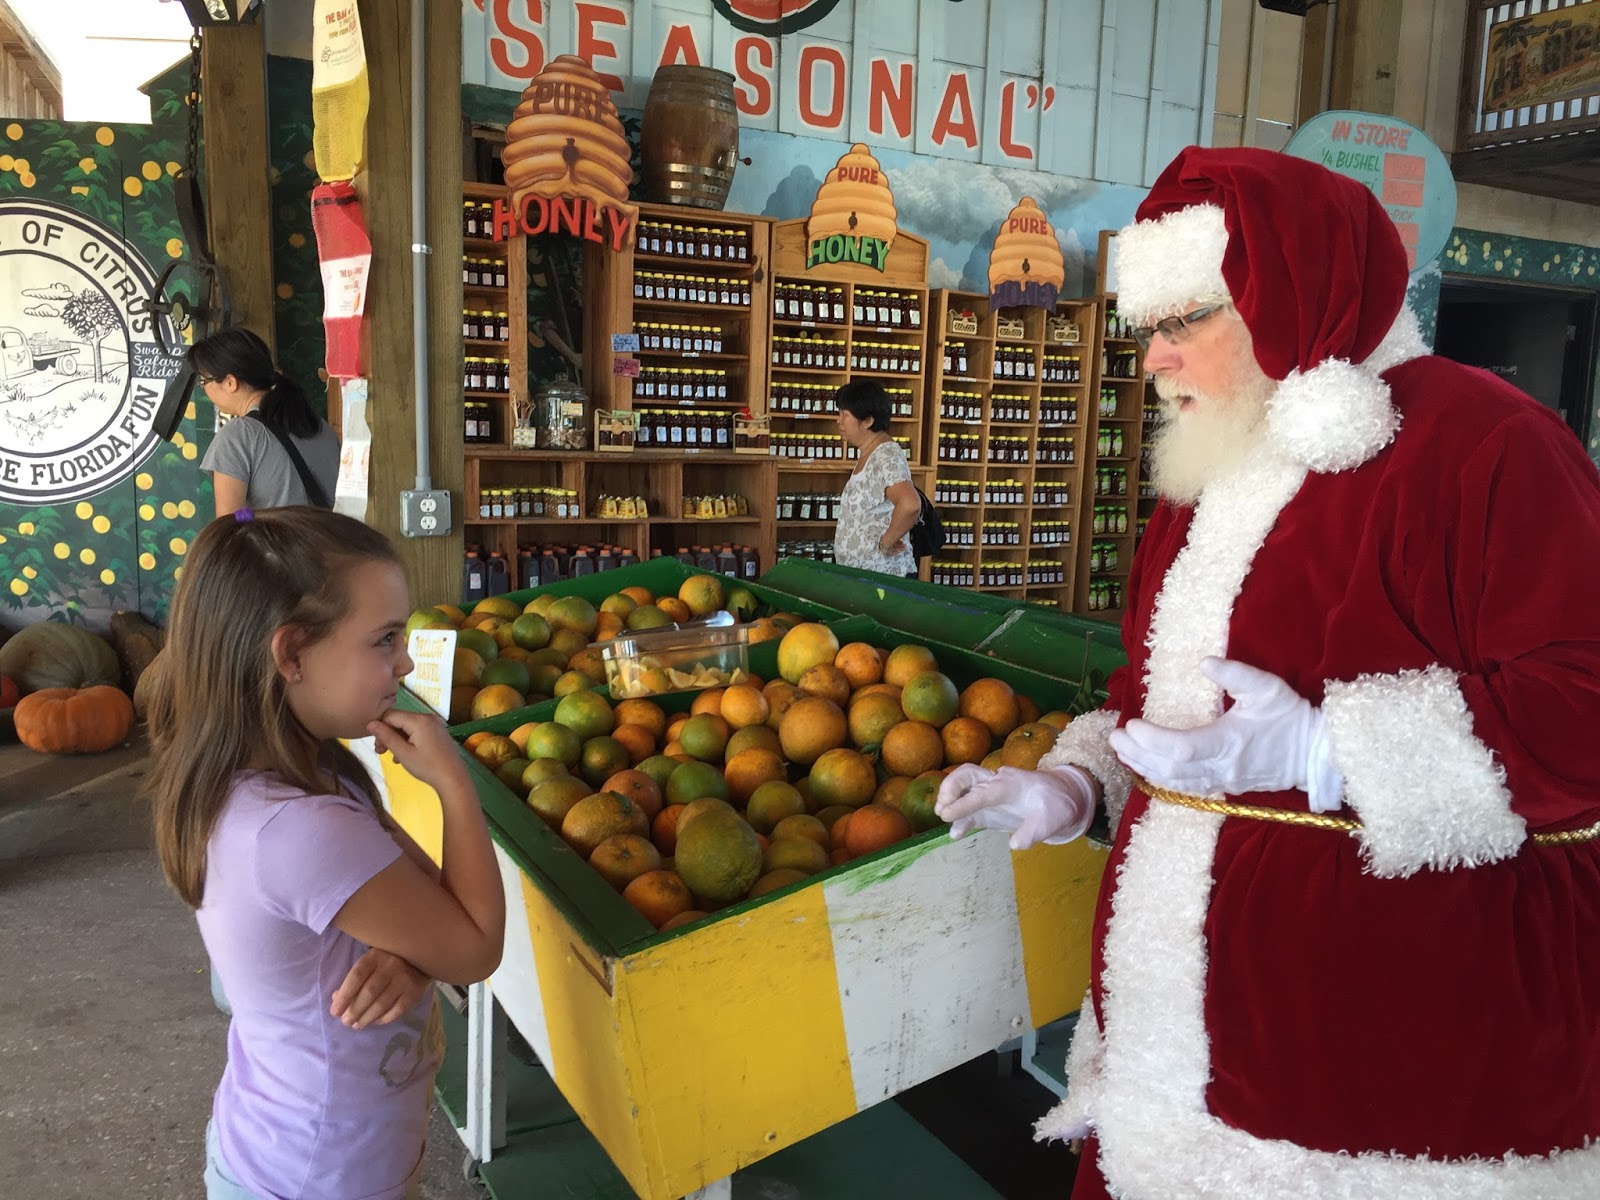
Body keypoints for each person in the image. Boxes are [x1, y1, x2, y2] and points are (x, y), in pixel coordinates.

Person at [937, 145, 1600, 1198]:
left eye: (1183, 321)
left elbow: (1584, 705)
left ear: (1291, 299)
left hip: (1387, 1061)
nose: (1155, 361)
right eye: (1146, 329)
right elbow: (1156, 698)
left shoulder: (1487, 441)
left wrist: (1326, 750)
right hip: (1172, 1044)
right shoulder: (1211, 470)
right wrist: (1079, 783)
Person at [144, 507, 505, 1200]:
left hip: (282, 1148)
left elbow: (426, 909)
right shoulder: (300, 830)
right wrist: (455, 785)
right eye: (385, 639)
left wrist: (414, 953)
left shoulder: (280, 775)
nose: (405, 662)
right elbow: (474, 949)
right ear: (291, 655)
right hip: (317, 1177)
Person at [192, 328, 340, 516]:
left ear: (230, 382)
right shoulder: (317, 425)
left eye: (204, 382)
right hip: (326, 535)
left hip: (276, 537)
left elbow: (232, 520)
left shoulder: (238, 434)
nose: (204, 389)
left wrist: (251, 518)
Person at [831, 379, 921, 578]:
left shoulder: (886, 455)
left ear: (868, 421)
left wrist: (886, 543)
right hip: (865, 577)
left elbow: (910, 504)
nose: (839, 421)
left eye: (845, 414)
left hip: (884, 577)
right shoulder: (870, 452)